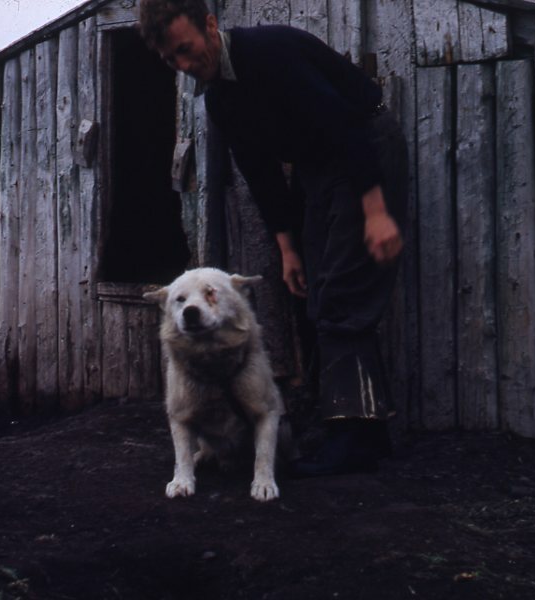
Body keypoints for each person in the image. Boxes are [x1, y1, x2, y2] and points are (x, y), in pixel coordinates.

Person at [139, 0, 407, 476]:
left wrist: (375, 209)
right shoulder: (221, 98)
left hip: (363, 146)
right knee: (316, 292)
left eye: (186, 49)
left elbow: (347, 126)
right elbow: (260, 173)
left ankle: (356, 439)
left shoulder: (270, 53)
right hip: (319, 167)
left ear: (210, 25)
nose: (183, 64)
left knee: (343, 291)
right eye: (170, 60)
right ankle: (357, 426)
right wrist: (287, 248)